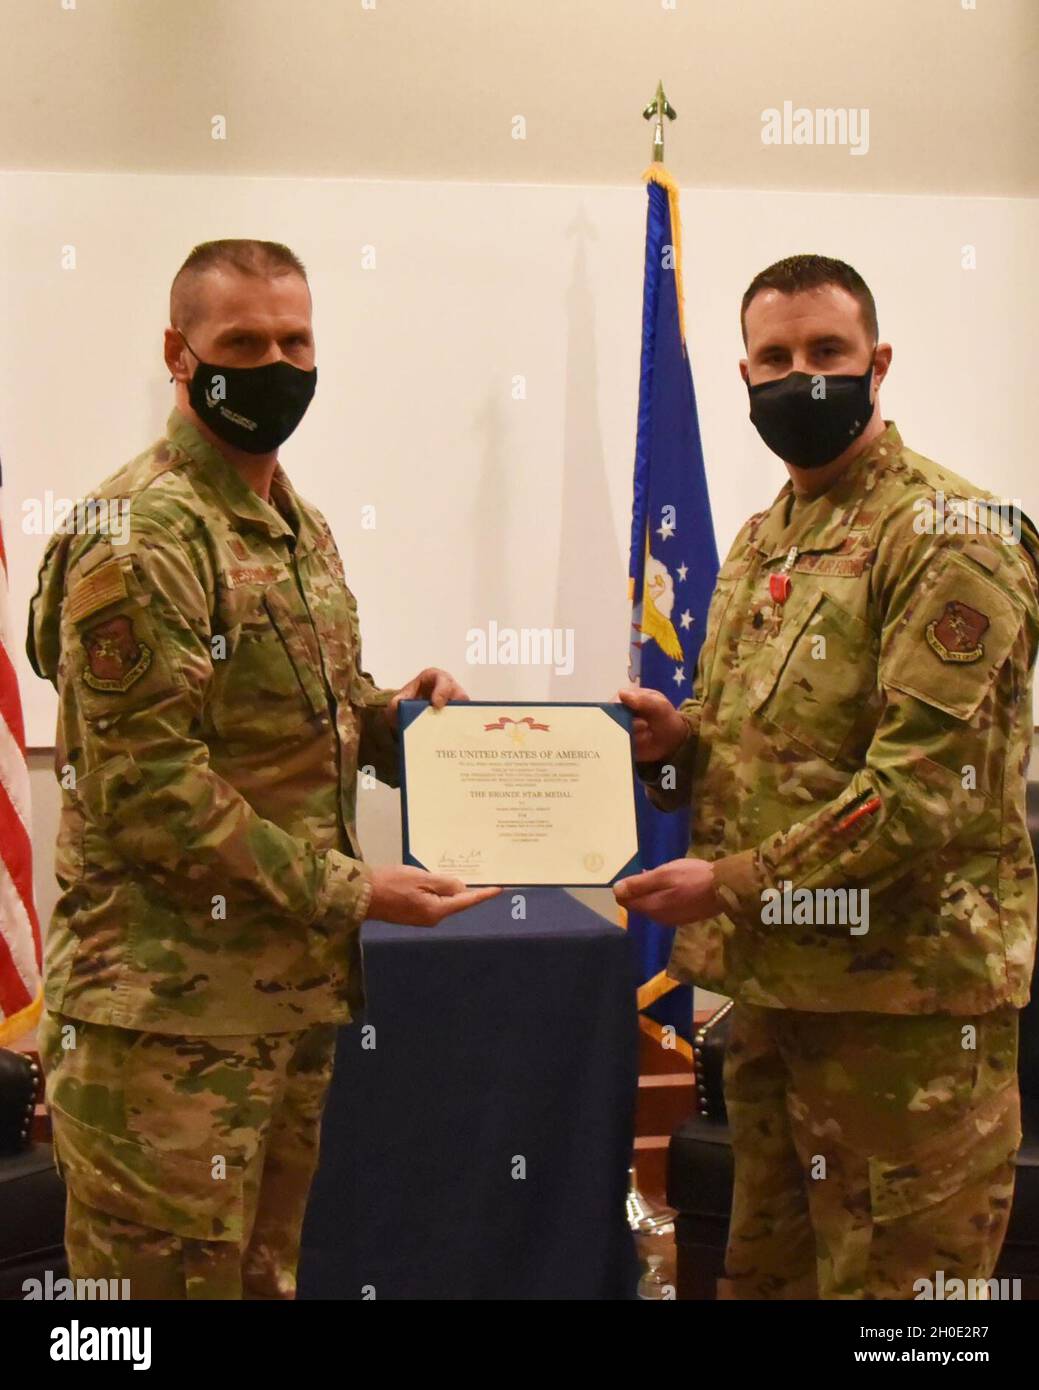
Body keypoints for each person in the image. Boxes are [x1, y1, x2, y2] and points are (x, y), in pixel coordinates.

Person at [26, 238, 498, 1299]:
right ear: (178, 352)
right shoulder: (143, 533)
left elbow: (300, 715)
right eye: (243, 341)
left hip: (276, 1001)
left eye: (296, 340)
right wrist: (355, 888)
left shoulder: (292, 520)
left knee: (255, 1282)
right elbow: (151, 793)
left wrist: (401, 724)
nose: (276, 363)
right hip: (164, 1026)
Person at [614, 254, 1039, 1299]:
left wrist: (729, 879)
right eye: (775, 357)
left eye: (826, 352)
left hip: (905, 1026)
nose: (799, 375)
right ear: (746, 376)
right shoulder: (769, 535)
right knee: (766, 1282)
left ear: (877, 362)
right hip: (776, 1004)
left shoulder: (949, 538)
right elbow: (778, 742)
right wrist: (683, 739)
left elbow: (921, 793)